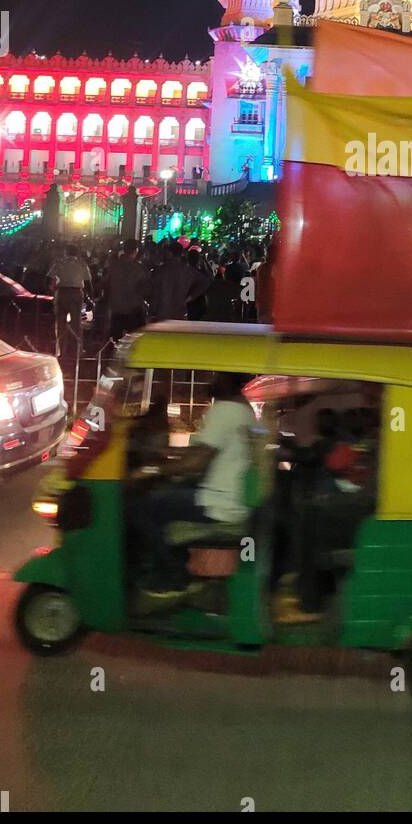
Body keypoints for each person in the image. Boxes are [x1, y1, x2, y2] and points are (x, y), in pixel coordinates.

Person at [127, 371, 256, 596]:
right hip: (231, 496)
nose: (210, 381)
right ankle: (173, 561)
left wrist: (148, 470)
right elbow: (207, 450)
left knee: (140, 508)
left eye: (216, 376)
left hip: (219, 501)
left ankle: (172, 575)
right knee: (165, 494)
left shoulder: (225, 409)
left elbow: (197, 462)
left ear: (228, 380)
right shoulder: (243, 408)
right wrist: (170, 452)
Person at [147, 242, 210, 322]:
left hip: (161, 312)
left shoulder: (160, 270)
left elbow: (148, 289)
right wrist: (190, 297)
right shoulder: (187, 270)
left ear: (169, 253)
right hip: (180, 312)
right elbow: (205, 282)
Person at [49, 244, 92, 358]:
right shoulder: (81, 264)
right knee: (76, 323)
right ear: (77, 253)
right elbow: (88, 282)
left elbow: (48, 278)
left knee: (60, 323)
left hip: (61, 293)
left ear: (66, 252)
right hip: (76, 293)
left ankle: (60, 351)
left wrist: (52, 290)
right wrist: (90, 297)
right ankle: (77, 350)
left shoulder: (59, 263)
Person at [107, 240, 150, 341]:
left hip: (116, 308)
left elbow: (107, 285)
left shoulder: (113, 266)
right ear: (136, 251)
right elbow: (146, 289)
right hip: (134, 309)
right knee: (135, 340)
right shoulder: (139, 269)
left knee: (115, 340)